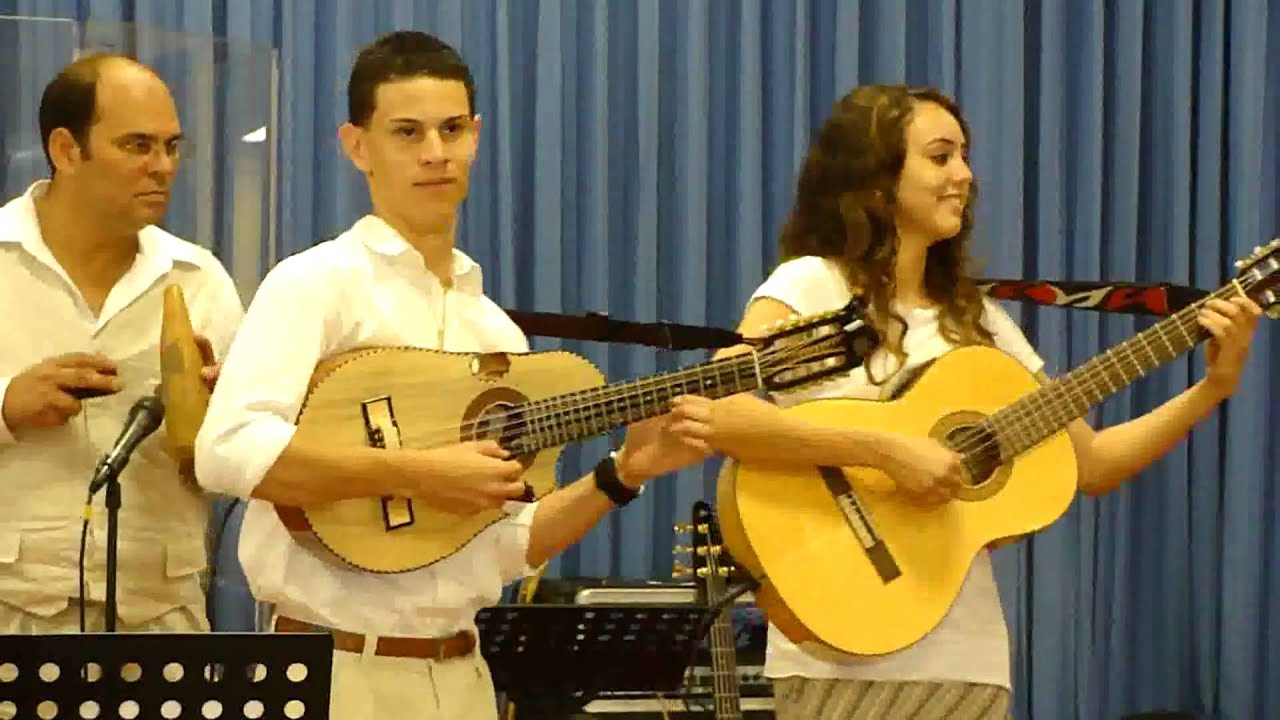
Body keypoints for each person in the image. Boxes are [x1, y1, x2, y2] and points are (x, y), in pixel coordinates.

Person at [664, 84, 1262, 719]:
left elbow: (1091, 464)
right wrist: (885, 449)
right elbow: (716, 412)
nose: (965, 176)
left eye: (964, 156)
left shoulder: (984, 322)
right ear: (874, 177)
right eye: (941, 156)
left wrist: (1211, 390)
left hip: (966, 660)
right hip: (833, 645)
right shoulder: (811, 285)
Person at [193, 31, 708, 720]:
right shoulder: (316, 284)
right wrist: (419, 473)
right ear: (357, 146)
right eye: (407, 132)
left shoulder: (495, 334)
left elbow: (505, 549)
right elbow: (226, 449)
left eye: (452, 129)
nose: (436, 152)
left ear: (476, 136)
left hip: (463, 677)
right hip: (332, 671)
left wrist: (623, 473)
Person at [0, 53, 242, 640]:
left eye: (172, 147)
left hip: (160, 625)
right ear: (65, 150)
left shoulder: (200, 280)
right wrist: (6, 407)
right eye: (137, 146)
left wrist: (208, 431)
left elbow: (235, 473)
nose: (162, 167)